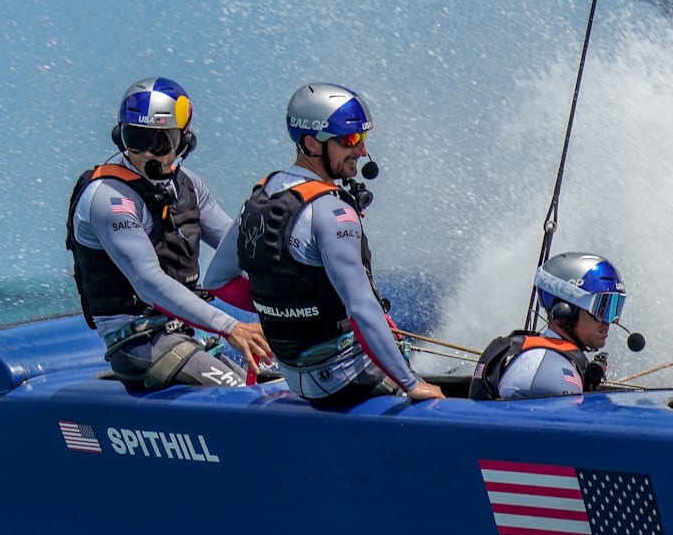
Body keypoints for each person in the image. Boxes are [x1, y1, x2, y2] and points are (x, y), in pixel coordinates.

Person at [230, 82, 441, 407]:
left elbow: (217, 281)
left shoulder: (262, 193)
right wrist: (411, 384)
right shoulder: (332, 210)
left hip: (294, 376)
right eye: (349, 140)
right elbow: (360, 308)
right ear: (312, 144)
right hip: (342, 379)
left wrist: (285, 310)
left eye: (362, 138)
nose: (362, 151)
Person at [66, 76, 272, 390]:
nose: (148, 154)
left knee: (282, 381)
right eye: (136, 138)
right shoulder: (109, 197)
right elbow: (149, 283)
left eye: (161, 143)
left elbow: (241, 251)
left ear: (184, 142)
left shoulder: (188, 184)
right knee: (240, 392)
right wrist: (231, 327)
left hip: (186, 338)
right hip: (139, 345)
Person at [470, 253, 626, 399]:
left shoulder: (550, 359)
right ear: (565, 311)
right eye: (600, 310)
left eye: (613, 309)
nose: (608, 322)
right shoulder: (547, 369)